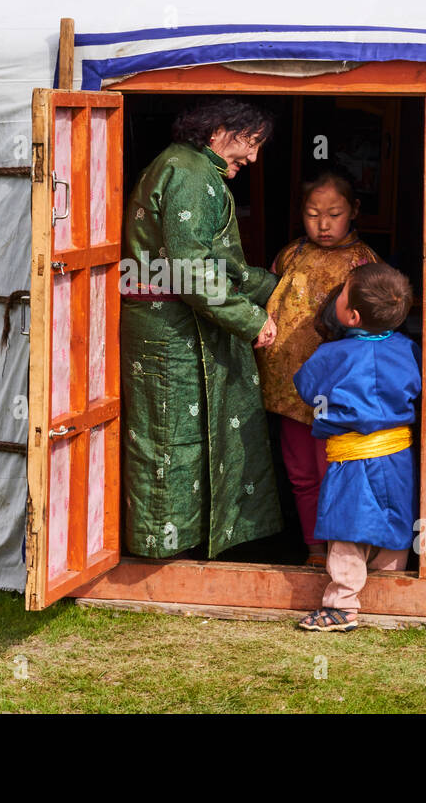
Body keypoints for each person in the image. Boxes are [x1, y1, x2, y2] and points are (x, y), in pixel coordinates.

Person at [120, 98, 283, 558]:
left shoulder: (190, 168)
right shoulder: (190, 174)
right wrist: (251, 319)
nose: (252, 157)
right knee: (171, 438)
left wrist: (274, 286)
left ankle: (182, 547)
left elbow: (217, 264)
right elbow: (191, 270)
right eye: (250, 143)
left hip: (174, 325)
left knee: (182, 435)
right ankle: (161, 558)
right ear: (218, 132)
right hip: (168, 330)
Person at [255, 170, 381, 567]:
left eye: (334, 214)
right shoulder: (290, 255)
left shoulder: (364, 263)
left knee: (335, 472)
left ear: (354, 211)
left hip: (338, 391)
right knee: (300, 473)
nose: (323, 225)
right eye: (312, 214)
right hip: (290, 388)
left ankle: (339, 550)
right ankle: (312, 548)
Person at [292, 263, 420, 631]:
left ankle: (342, 604)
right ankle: (390, 592)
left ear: (352, 315)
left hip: (353, 459)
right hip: (398, 455)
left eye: (343, 291)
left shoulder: (333, 356)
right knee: (395, 520)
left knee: (346, 528)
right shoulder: (408, 349)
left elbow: (305, 387)